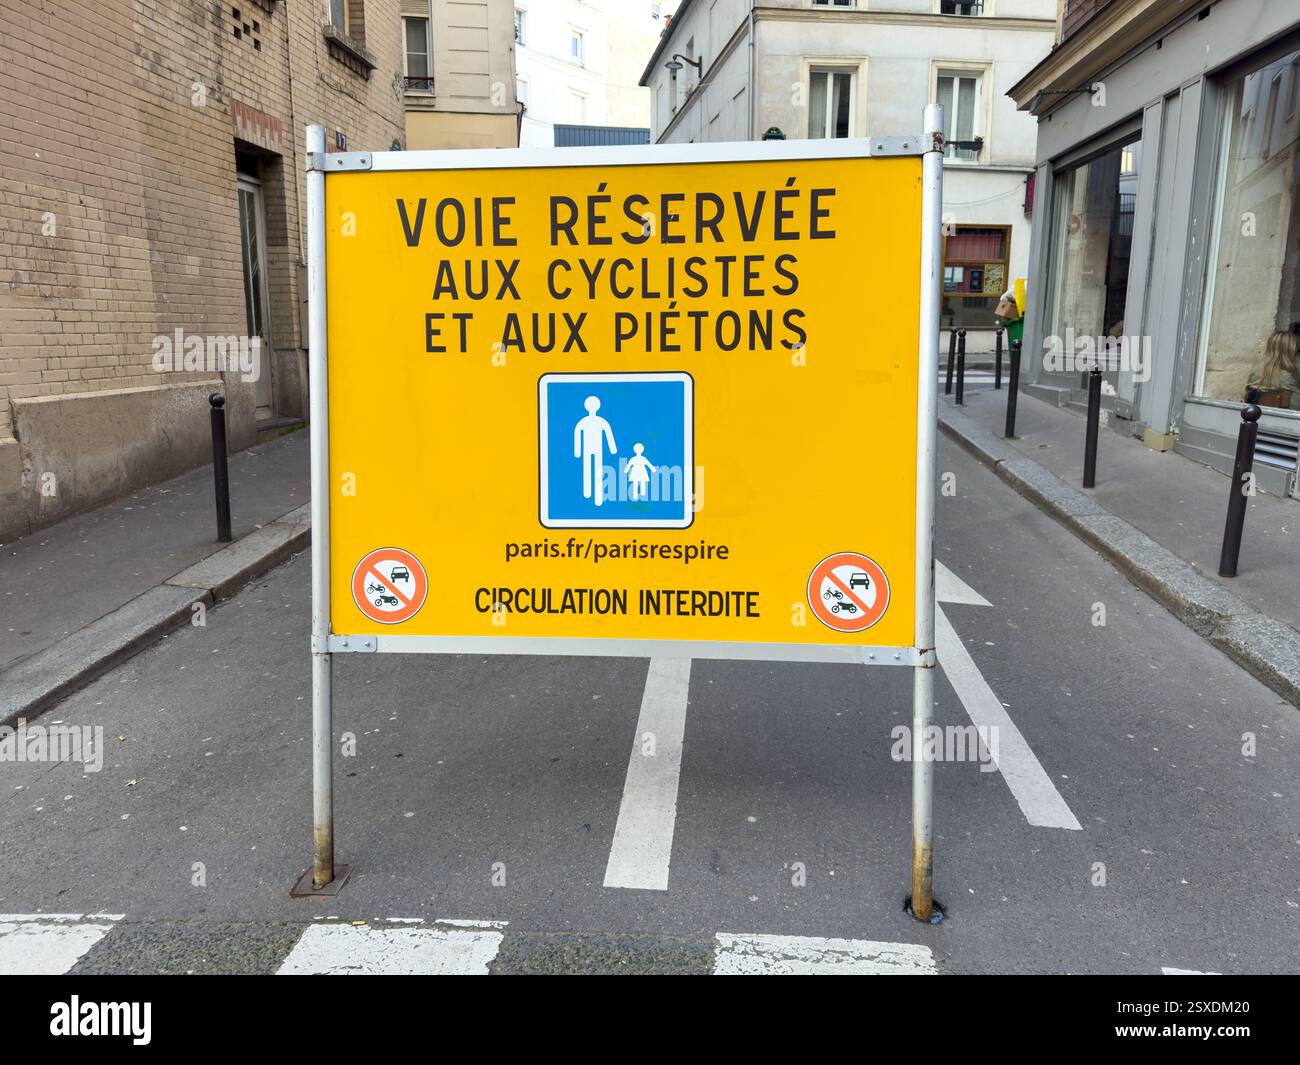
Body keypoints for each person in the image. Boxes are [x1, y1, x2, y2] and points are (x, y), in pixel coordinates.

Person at [573, 396, 617, 506]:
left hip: (595, 449)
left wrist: (612, 449)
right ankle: (588, 493)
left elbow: (608, 433)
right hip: (589, 449)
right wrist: (577, 451)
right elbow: (577, 433)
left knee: (595, 470)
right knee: (589, 469)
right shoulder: (587, 421)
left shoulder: (597, 421)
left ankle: (595, 495)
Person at [1244, 328, 1300, 410]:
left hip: (1256, 417)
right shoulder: (1288, 377)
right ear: (1291, 350)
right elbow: (1296, 409)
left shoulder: (1257, 370)